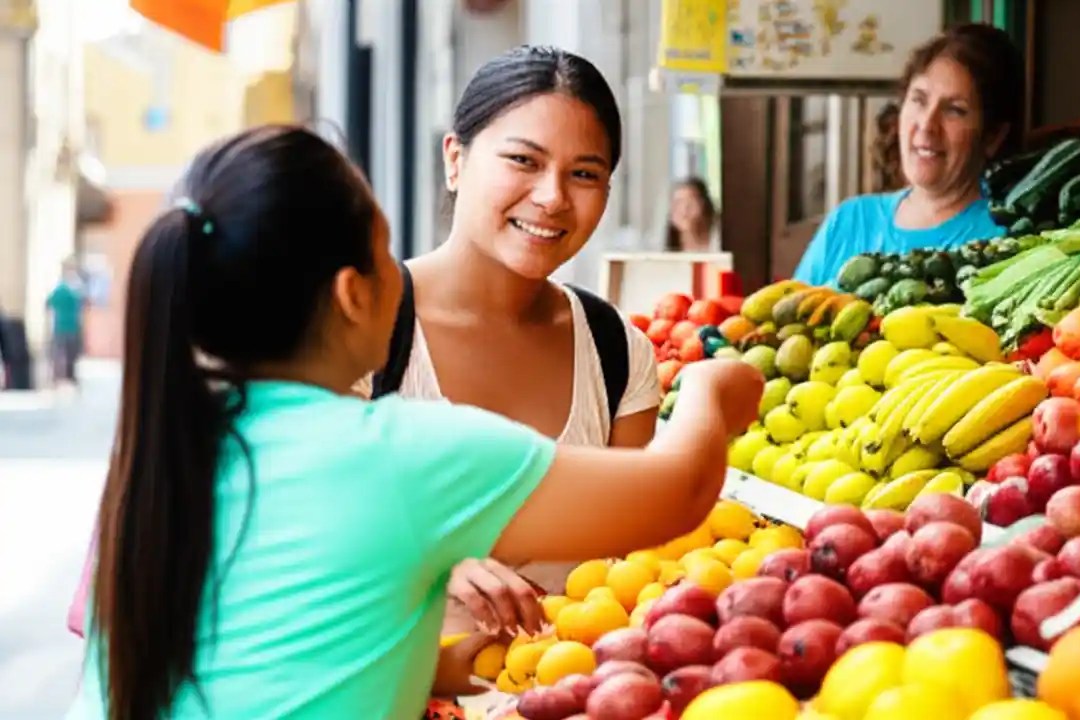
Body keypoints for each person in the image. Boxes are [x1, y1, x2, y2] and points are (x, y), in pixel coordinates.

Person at [67, 124, 763, 720]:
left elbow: (297, 655)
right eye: (384, 252)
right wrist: (708, 387)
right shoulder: (397, 454)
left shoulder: (177, 442)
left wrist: (505, 666)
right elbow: (678, 489)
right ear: (350, 295)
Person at [354, 46, 663, 646]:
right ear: (455, 159)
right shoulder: (360, 332)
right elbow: (293, 526)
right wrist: (422, 563)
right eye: (523, 160)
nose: (552, 197)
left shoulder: (618, 355)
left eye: (584, 173)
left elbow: (632, 571)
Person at [794, 23, 1080, 286]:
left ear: (993, 136)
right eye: (919, 100)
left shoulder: (1018, 233)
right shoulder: (848, 221)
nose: (926, 126)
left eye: (954, 110)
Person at [46, 259, 86, 387]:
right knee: (64, 352)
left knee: (66, 353)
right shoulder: (72, 289)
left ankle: (63, 377)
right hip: (66, 326)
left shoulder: (66, 288)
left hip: (67, 326)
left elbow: (48, 305)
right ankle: (63, 377)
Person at [665, 177, 718, 252]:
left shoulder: (718, 239)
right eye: (678, 203)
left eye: (690, 203)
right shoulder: (666, 243)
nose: (684, 211)